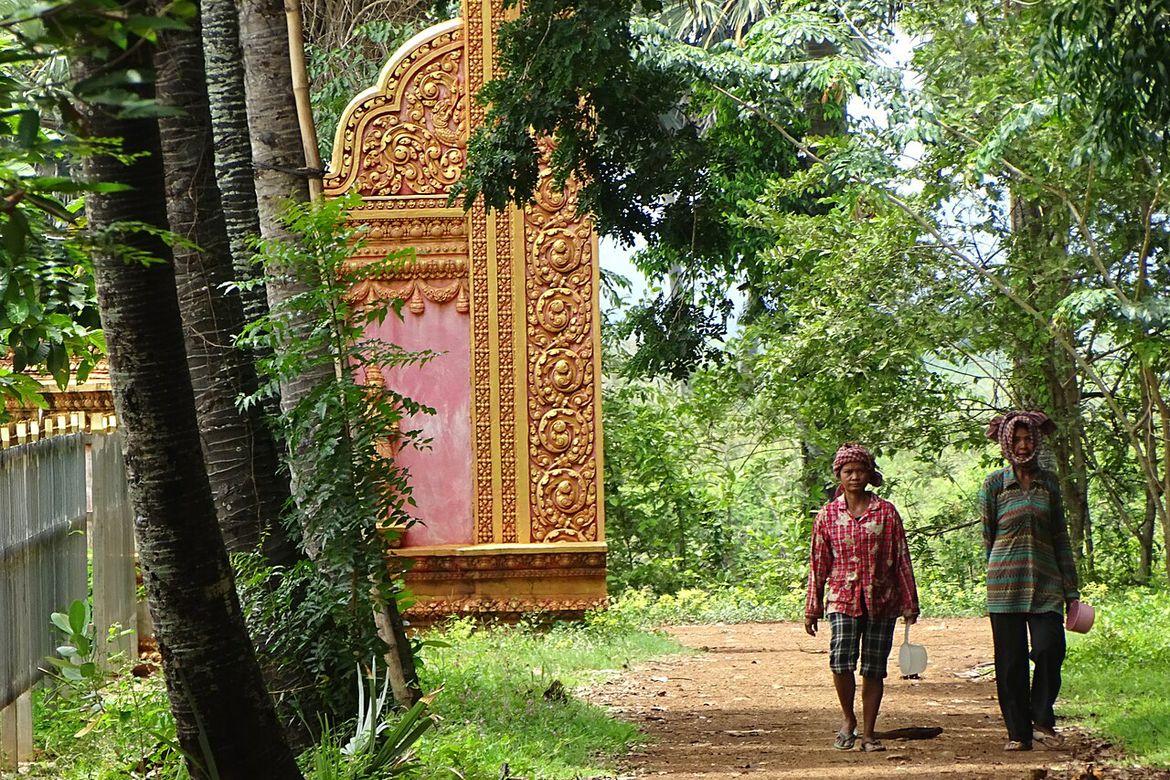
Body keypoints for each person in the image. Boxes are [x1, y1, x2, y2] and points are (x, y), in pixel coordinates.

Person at [805, 443, 919, 753]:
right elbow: (818, 564)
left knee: (873, 667)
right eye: (848, 471)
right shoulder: (828, 516)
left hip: (882, 600)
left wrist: (910, 602)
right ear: (839, 476)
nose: (854, 476)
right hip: (842, 599)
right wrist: (812, 608)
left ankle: (869, 733)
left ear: (870, 474)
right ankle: (848, 720)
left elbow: (901, 558)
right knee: (841, 660)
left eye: (860, 471)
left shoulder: (886, 512)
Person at [981, 411, 1081, 752]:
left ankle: (1042, 716)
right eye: (1018, 439)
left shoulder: (1049, 483)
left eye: (1029, 439)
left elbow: (1060, 536)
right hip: (1004, 587)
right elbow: (988, 538)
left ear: (1037, 443)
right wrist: (998, 572)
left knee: (1049, 648)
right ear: (1007, 444)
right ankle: (1019, 733)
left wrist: (1071, 589)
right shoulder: (994, 485)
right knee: (1009, 664)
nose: (1024, 445)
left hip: (1046, 583)